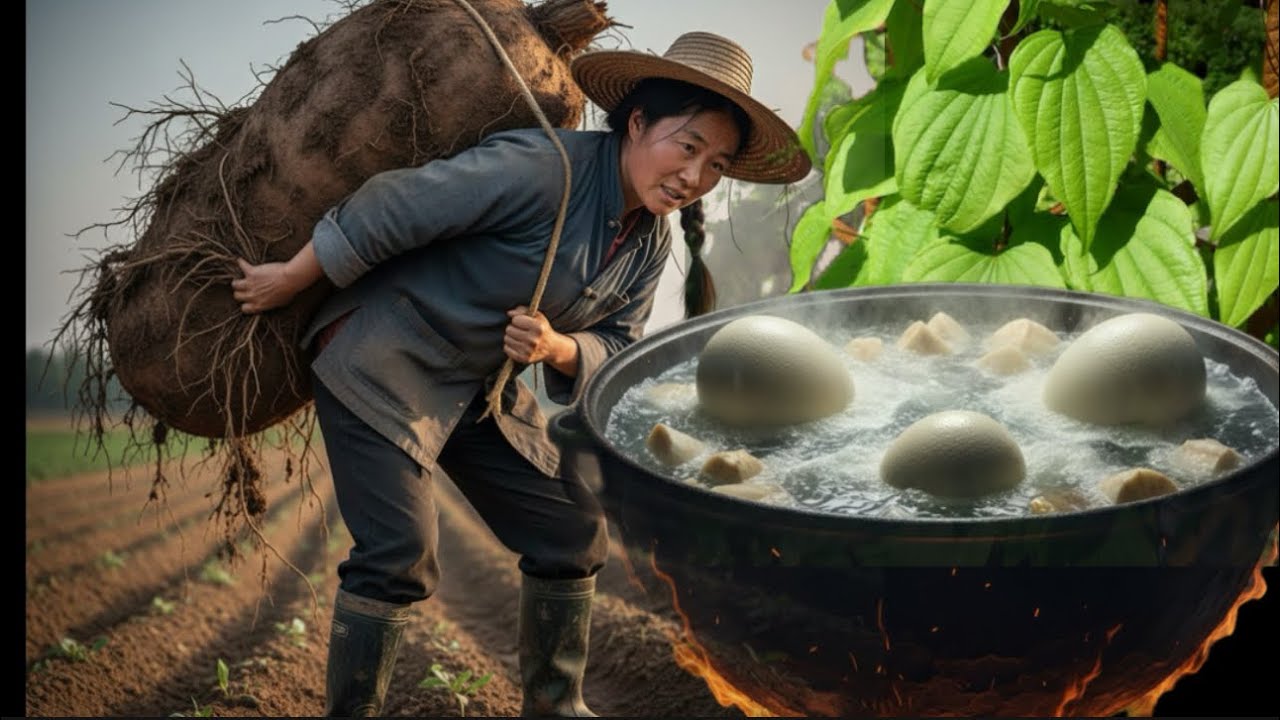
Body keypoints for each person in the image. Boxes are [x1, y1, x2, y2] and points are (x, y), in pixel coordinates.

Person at [232, 30, 809, 717]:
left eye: (715, 165)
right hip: (382, 358)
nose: (695, 178)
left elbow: (614, 348)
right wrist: (291, 277)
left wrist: (561, 349)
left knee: (571, 530)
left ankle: (555, 707)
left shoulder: (649, 241)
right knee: (398, 554)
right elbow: (398, 205)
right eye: (688, 148)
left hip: (477, 389)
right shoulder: (544, 170)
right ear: (638, 123)